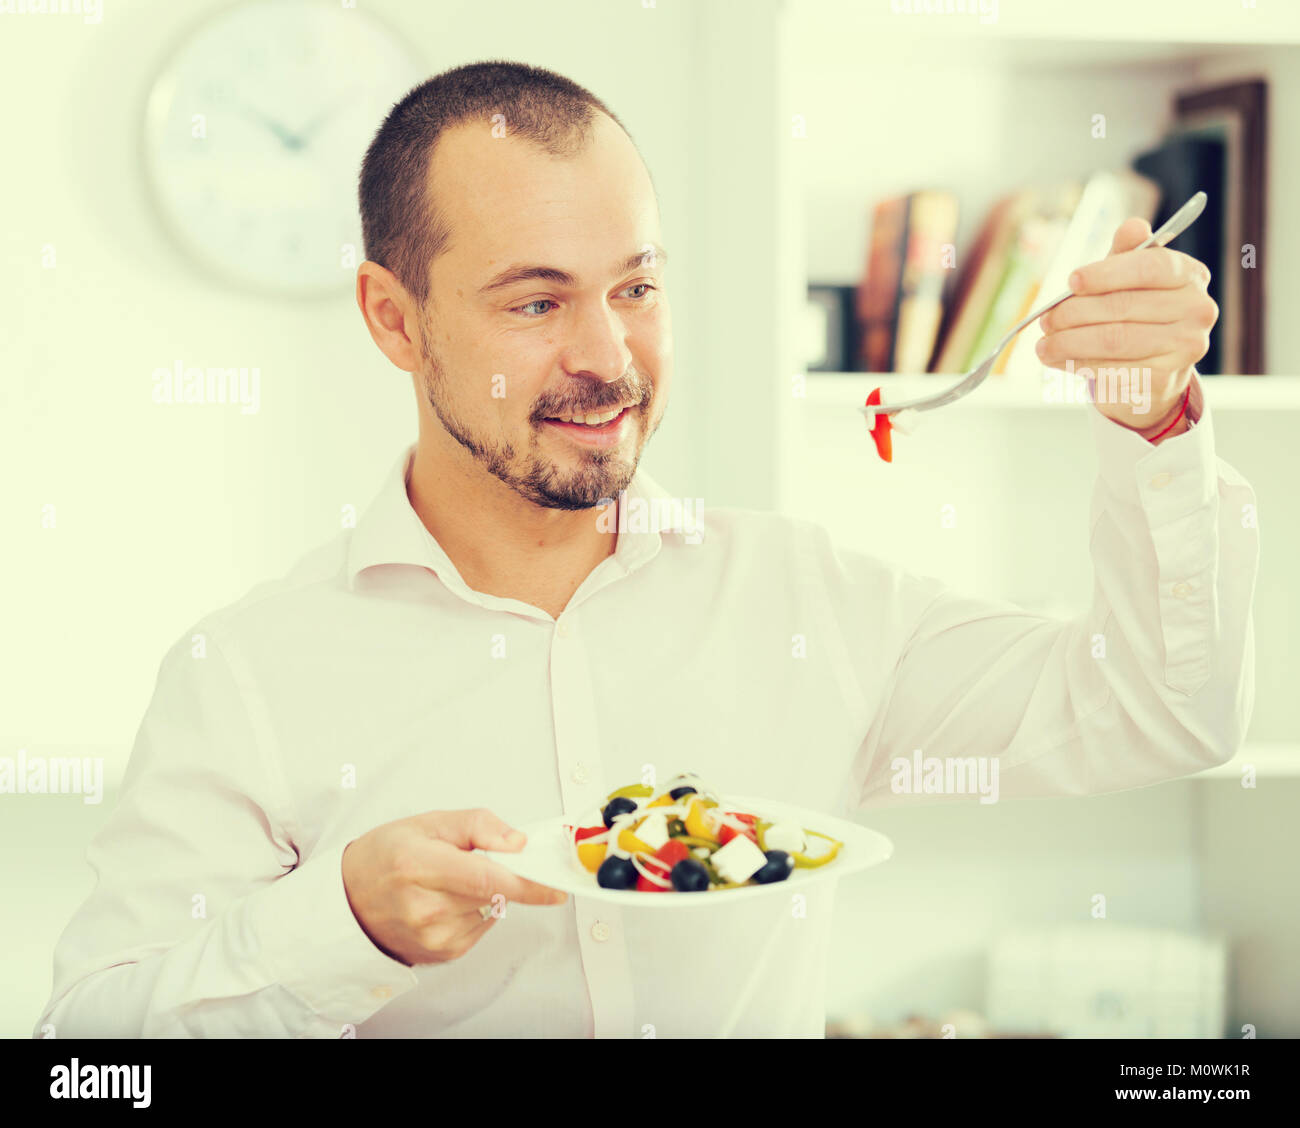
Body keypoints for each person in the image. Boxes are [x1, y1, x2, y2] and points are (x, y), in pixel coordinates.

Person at [36, 60, 1256, 1038]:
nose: (607, 358)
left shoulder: (808, 599)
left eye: (635, 289)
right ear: (392, 320)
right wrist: (341, 927)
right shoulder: (248, 676)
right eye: (535, 300)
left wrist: (1151, 423)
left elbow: (1161, 712)